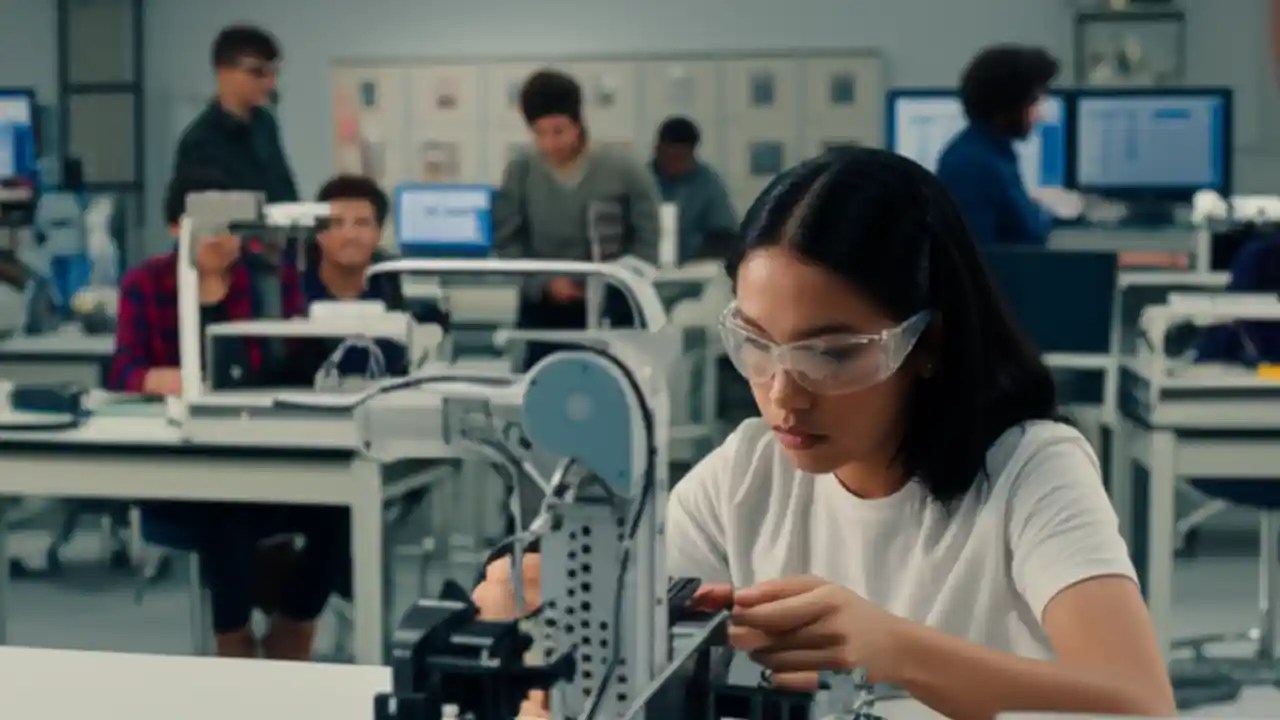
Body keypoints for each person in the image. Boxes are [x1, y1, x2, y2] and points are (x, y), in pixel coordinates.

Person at [473, 148, 1175, 718]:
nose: (783, 395)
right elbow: (624, 648)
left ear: (926, 343)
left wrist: (890, 647)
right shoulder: (747, 473)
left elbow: (1139, 706)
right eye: (755, 344)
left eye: (831, 354)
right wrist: (553, 607)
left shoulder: (1030, 471)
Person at [108, 168, 345, 660]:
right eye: (214, 227)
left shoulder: (270, 276)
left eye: (236, 229)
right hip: (182, 467)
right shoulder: (145, 283)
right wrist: (163, 378)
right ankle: (231, 641)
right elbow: (124, 367)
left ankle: (293, 629)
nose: (227, 241)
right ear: (178, 228)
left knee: (339, 512)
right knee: (228, 509)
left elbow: (298, 361)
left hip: (267, 451)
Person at [493, 69, 661, 367]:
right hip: (543, 313)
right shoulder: (521, 172)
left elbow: (647, 241)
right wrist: (545, 284)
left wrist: (616, 282)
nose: (549, 144)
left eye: (558, 131)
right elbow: (507, 244)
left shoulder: (623, 171)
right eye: (539, 133)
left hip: (613, 307)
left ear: (578, 123)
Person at [936, 45, 1074, 246]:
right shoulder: (973, 167)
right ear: (1008, 107)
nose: (1040, 115)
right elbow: (978, 259)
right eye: (1033, 102)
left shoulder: (993, 154)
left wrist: (1039, 208)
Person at [299, 174, 409, 380]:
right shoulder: (292, 288)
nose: (350, 236)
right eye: (337, 223)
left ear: (378, 232)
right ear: (319, 233)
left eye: (362, 223)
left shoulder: (389, 279)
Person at [173, 25, 297, 203]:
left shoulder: (264, 124)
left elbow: (284, 192)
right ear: (223, 72)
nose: (270, 84)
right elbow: (187, 211)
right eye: (257, 72)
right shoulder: (200, 141)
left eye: (274, 73)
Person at [650, 116, 737, 262]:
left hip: (695, 271)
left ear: (691, 153)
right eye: (668, 157)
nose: (673, 165)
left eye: (679, 158)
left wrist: (696, 262)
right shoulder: (642, 180)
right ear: (658, 150)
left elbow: (725, 235)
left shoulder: (707, 183)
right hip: (643, 270)